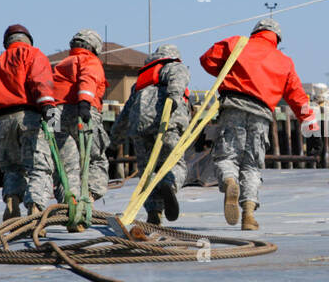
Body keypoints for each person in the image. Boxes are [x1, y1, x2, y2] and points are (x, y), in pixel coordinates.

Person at [200, 18, 315, 231]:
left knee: (227, 156)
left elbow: (207, 59)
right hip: (261, 114)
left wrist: (233, 73)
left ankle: (229, 181)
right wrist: (309, 121)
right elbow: (296, 95)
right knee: (251, 165)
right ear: (277, 39)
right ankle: (248, 215)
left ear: (255, 32)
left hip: (233, 106)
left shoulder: (237, 43)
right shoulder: (284, 61)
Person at [0, 24, 60, 219]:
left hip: (1, 123)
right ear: (28, 41)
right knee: (39, 166)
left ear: (6, 43)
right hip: (28, 117)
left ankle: (12, 201)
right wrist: (48, 106)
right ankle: (35, 211)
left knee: (12, 168)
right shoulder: (33, 54)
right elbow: (40, 80)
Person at [112, 44, 190, 225]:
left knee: (147, 171)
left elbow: (125, 112)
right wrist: (174, 103)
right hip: (166, 122)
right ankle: (168, 185)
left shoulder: (142, 78)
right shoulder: (175, 66)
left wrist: (114, 139)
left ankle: (154, 211)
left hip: (140, 127)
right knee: (176, 164)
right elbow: (176, 88)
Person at [50, 29, 110, 222]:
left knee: (66, 163)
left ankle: (71, 204)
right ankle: (89, 198)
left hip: (56, 114)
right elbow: (88, 78)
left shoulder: (60, 65)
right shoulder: (89, 60)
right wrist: (84, 102)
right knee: (95, 159)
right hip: (81, 111)